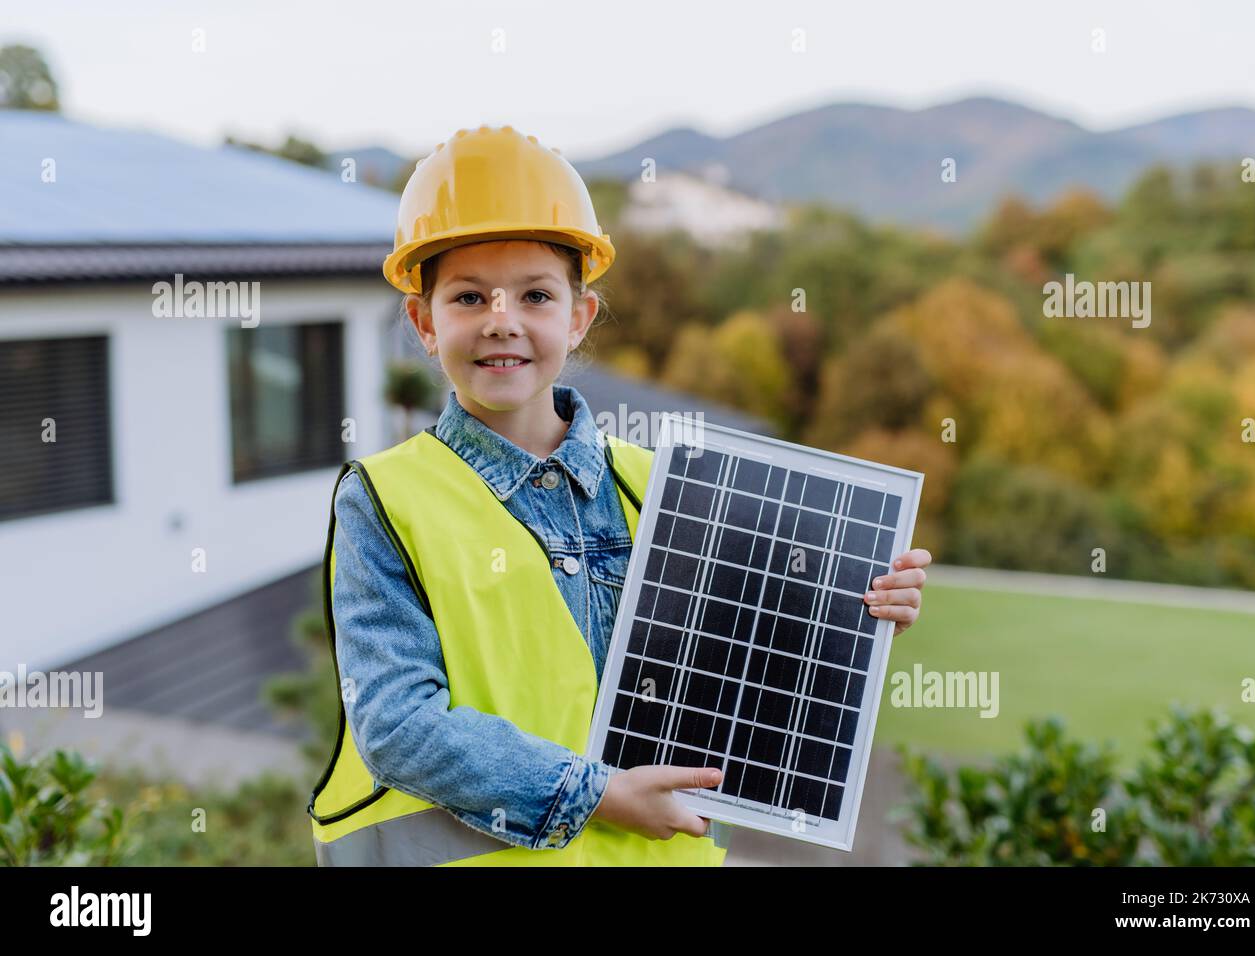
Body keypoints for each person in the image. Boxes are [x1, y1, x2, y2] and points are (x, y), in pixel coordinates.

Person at [307, 125, 932, 866]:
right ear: (422, 321)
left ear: (578, 317)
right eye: (469, 296)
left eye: (535, 295)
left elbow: (749, 673)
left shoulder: (669, 486)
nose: (501, 319)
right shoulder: (384, 501)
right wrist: (594, 793)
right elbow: (398, 726)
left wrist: (851, 621)